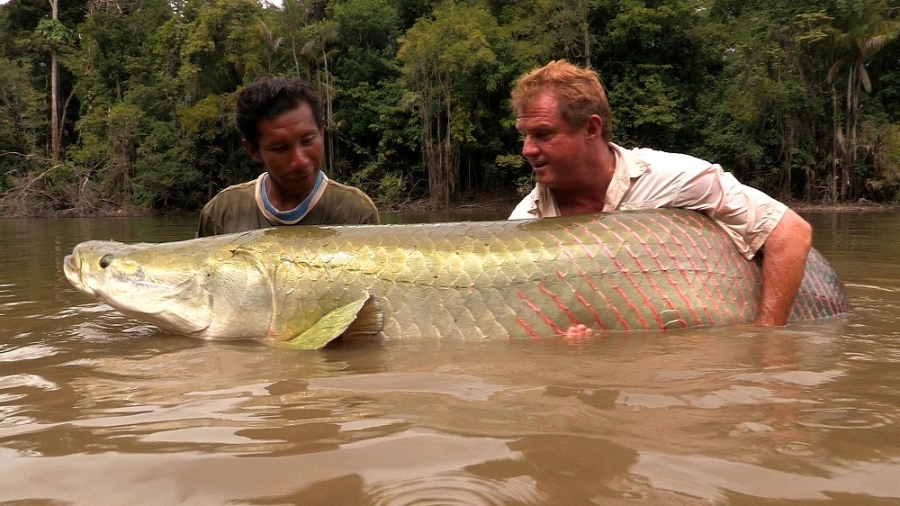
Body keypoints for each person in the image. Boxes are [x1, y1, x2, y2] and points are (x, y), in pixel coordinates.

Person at [508, 60, 812, 328]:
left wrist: (769, 341)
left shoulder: (674, 178)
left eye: (543, 134)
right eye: (525, 135)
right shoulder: (524, 224)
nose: (527, 149)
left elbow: (790, 232)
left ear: (591, 129)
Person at [197, 76, 379, 237]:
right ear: (253, 151)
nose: (300, 161)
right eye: (281, 148)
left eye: (307, 141)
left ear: (321, 131)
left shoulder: (357, 213)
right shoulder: (222, 212)